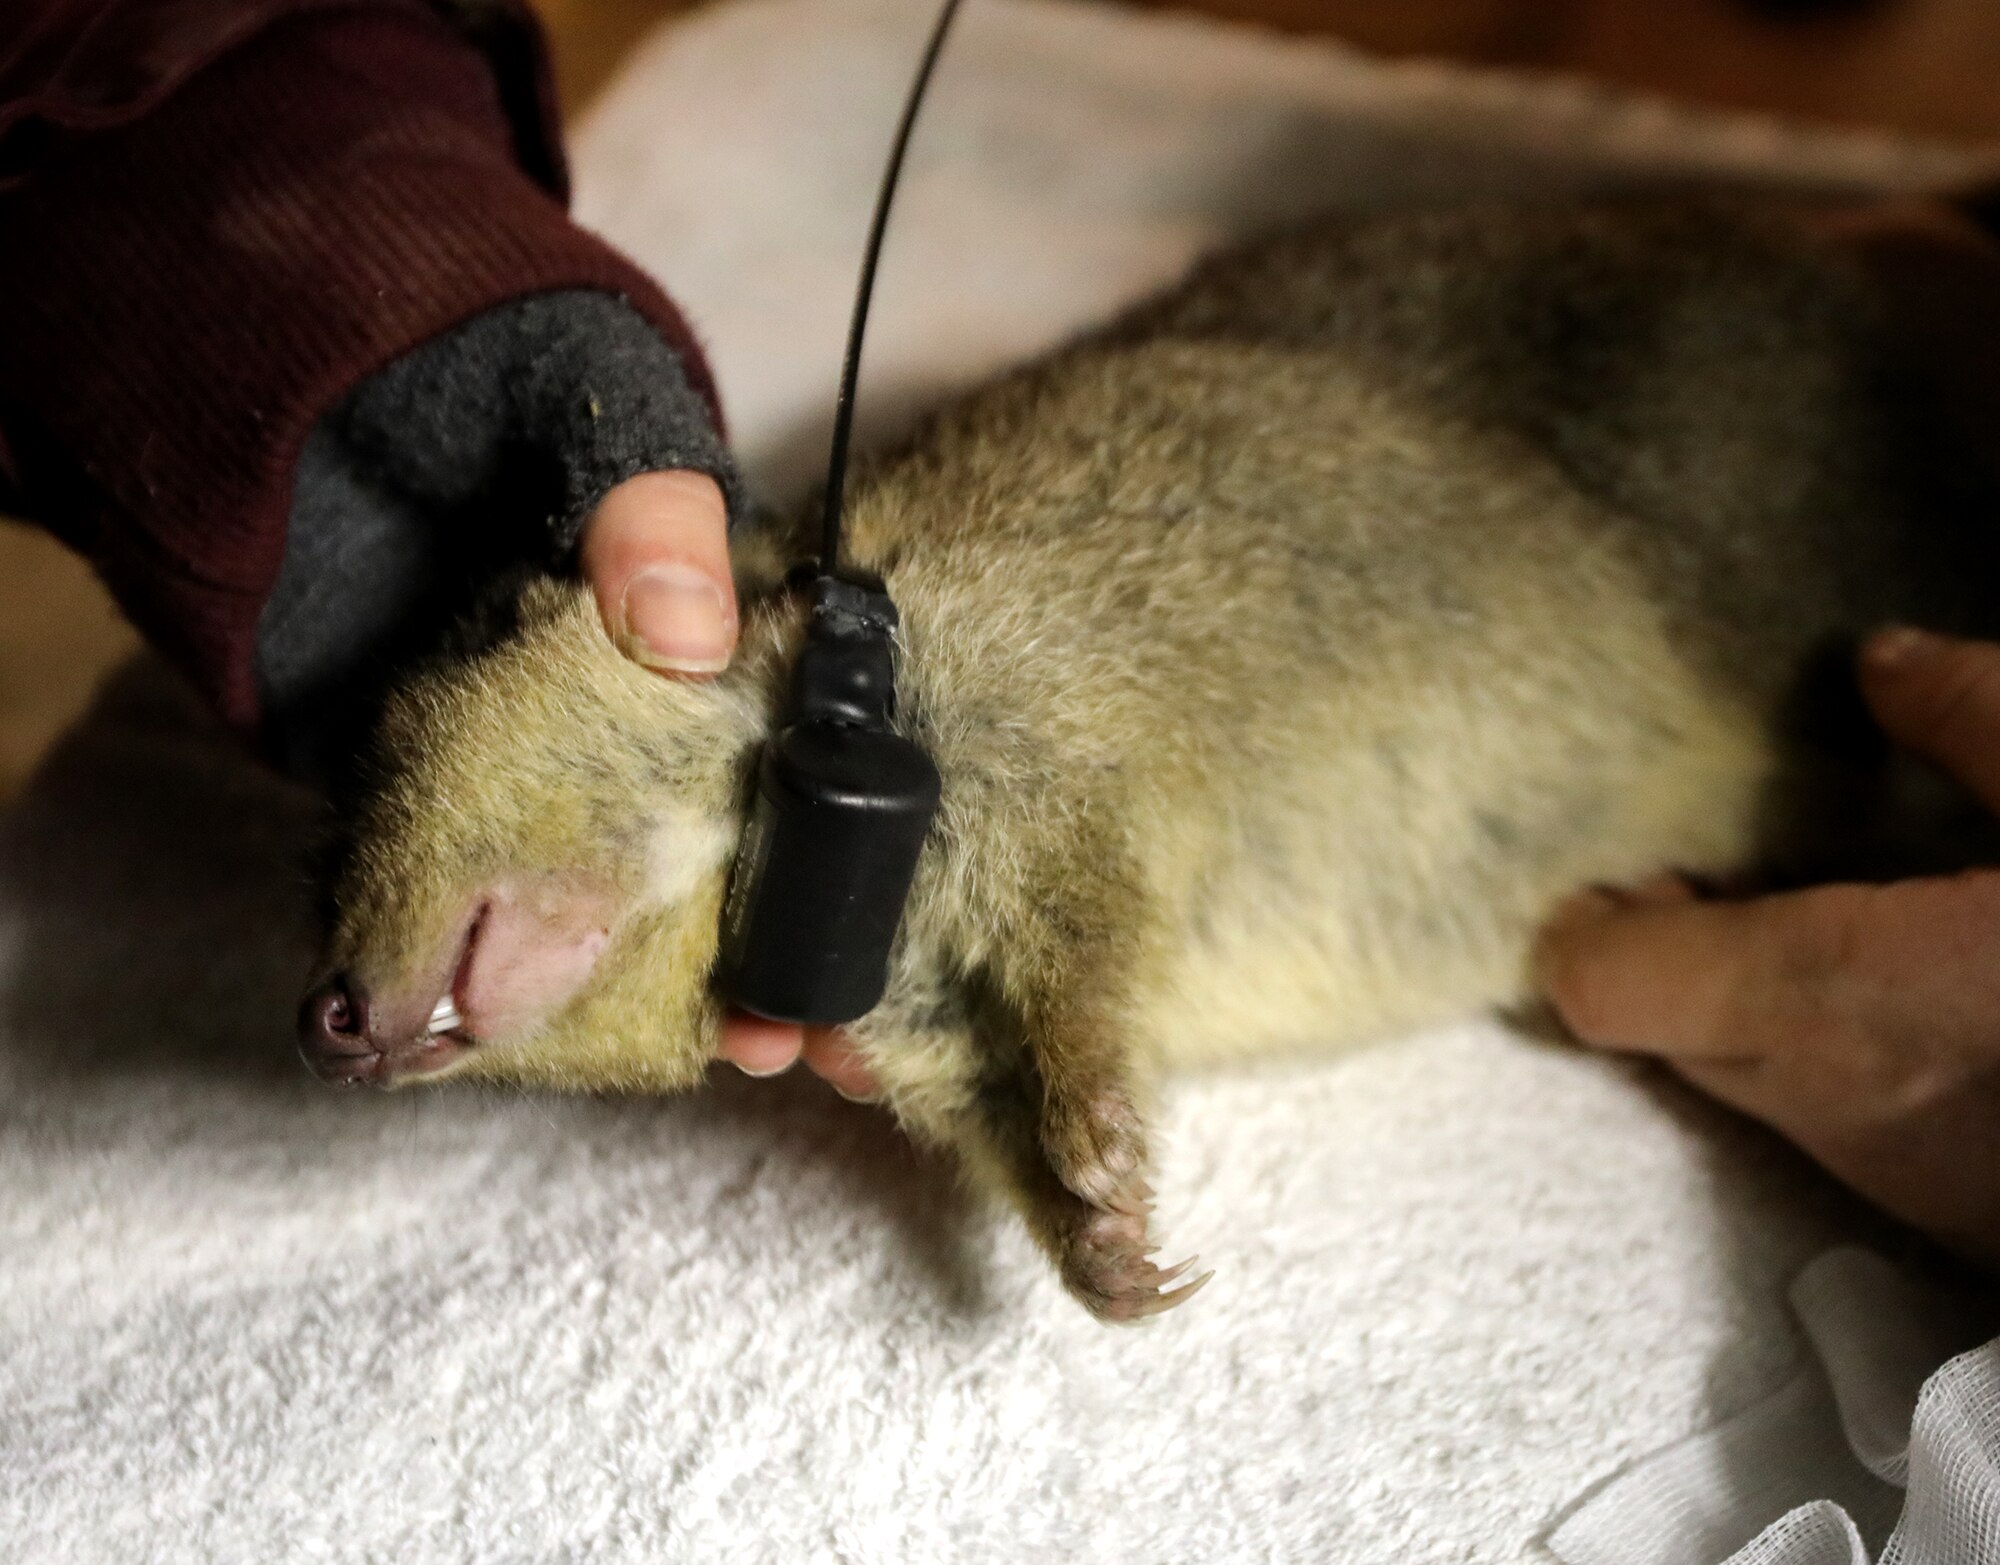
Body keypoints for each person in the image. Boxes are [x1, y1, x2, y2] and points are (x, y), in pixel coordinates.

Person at [3, 2, 1997, 1252]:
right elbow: (987, 982)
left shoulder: (893, 650)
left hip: (1721, 478)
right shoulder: (758, 920)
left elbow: (1063, 804)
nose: (352, 1018)